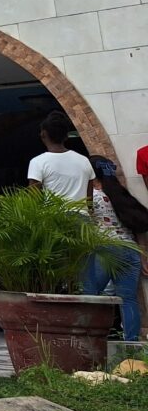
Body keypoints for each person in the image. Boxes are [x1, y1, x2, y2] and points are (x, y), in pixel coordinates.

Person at [83, 158, 148, 342]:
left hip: (104, 249)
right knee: (128, 299)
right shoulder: (120, 195)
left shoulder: (90, 197)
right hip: (128, 249)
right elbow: (140, 225)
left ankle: (91, 340)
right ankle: (131, 344)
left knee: (90, 295)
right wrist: (143, 256)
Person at [27, 111, 94, 208]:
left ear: (43, 134)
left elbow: (32, 200)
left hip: (56, 219)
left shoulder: (38, 162)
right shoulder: (84, 161)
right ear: (66, 136)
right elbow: (89, 200)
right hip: (82, 219)